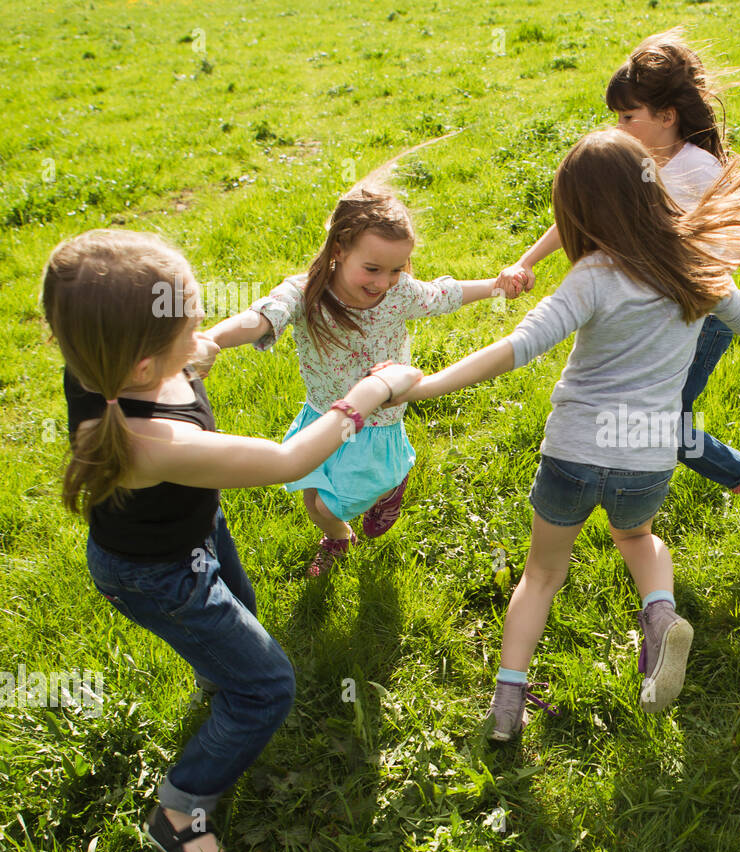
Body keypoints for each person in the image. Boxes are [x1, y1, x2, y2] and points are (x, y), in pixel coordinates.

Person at [45, 228, 422, 852]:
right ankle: (179, 808)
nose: (200, 337)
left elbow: (149, 334)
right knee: (268, 686)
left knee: (240, 611)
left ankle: (218, 680)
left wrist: (192, 353)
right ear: (142, 366)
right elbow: (288, 460)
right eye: (185, 332)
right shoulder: (155, 442)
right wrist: (366, 395)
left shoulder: (102, 359)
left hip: (190, 535)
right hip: (157, 577)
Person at [394, 128, 740, 740]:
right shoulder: (696, 265)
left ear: (582, 213)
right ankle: (659, 613)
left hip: (571, 452)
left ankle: (507, 709)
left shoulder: (595, 275)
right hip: (646, 458)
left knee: (541, 574)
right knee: (638, 536)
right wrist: (713, 288)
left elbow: (518, 348)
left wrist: (427, 385)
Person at [498, 29, 740, 537]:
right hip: (662, 310)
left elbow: (689, 258)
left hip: (695, 316)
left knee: (659, 426)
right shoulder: (639, 158)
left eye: (627, 116)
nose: (618, 126)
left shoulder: (694, 171)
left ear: (667, 115)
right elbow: (585, 206)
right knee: (657, 423)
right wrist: (527, 261)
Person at [200, 185, 518, 575]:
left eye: (397, 269)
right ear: (339, 250)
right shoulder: (305, 293)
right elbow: (262, 317)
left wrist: (497, 286)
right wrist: (212, 338)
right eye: (373, 269)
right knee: (311, 496)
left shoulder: (398, 293)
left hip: (376, 421)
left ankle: (388, 485)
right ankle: (338, 537)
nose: (384, 282)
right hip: (322, 413)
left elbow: (442, 294)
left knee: (326, 504)